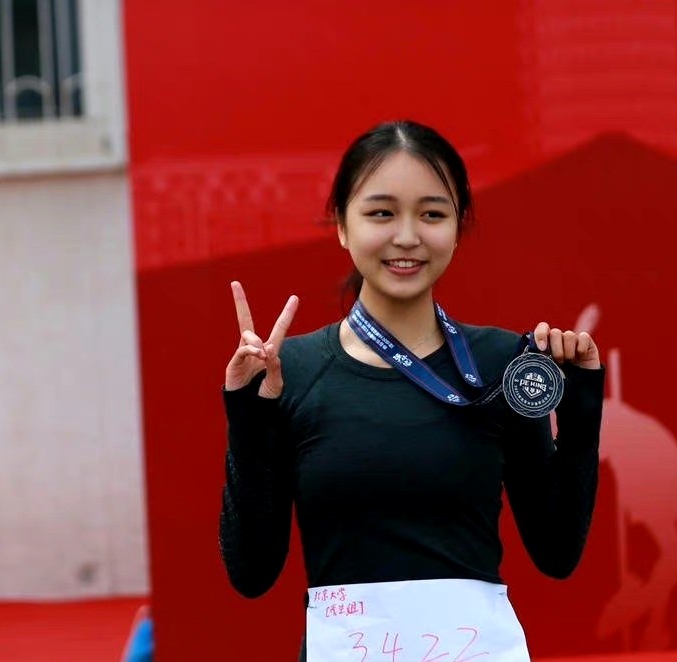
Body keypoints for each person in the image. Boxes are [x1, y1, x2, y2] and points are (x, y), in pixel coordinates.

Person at [218, 120, 605, 661]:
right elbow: (251, 572)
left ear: (457, 225)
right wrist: (247, 414)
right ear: (342, 227)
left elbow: (557, 552)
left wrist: (583, 410)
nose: (407, 236)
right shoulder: (292, 372)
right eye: (381, 213)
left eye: (431, 214)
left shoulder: (501, 364)